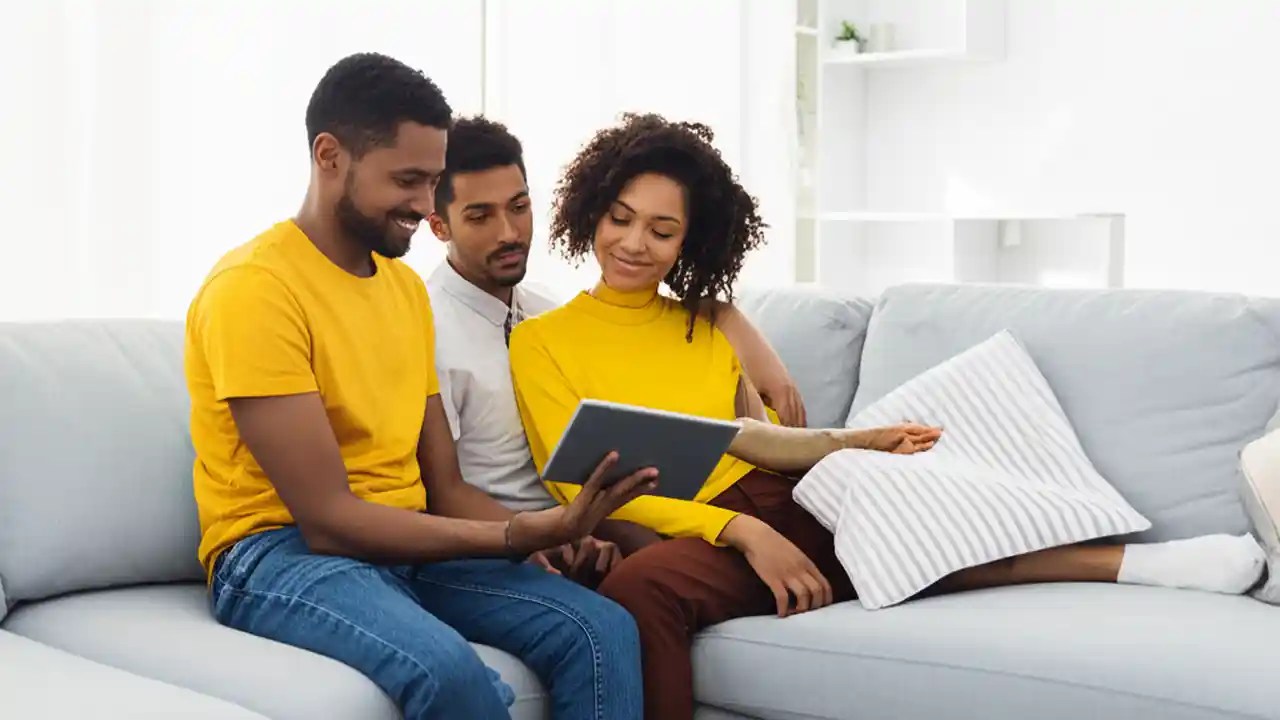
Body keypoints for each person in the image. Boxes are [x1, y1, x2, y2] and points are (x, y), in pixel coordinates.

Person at [507, 112, 1269, 720]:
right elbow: (584, 485)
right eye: (621, 218)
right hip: (705, 523)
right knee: (643, 590)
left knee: (910, 510)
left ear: (688, 242)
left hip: (782, 494)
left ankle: (1143, 561)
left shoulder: (705, 325)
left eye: (662, 230)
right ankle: (1134, 567)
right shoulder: (542, 340)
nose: (634, 243)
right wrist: (743, 533)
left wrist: (853, 439)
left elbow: (752, 441)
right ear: (590, 211)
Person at [183, 53, 651, 720]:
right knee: (446, 671)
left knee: (601, 631)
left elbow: (443, 482)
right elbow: (328, 521)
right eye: (406, 180)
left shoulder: (403, 290)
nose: (424, 205)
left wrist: (552, 534)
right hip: (281, 553)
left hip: (407, 540)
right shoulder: (255, 291)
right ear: (329, 156)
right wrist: (519, 533)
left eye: (432, 181)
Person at [424, 116, 808, 578]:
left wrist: (727, 316)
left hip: (593, 524)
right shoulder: (428, 331)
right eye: (479, 216)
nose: (509, 232)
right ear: (438, 226)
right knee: (638, 593)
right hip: (515, 541)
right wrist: (543, 537)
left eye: (519, 207)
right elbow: (439, 489)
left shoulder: (544, 310)